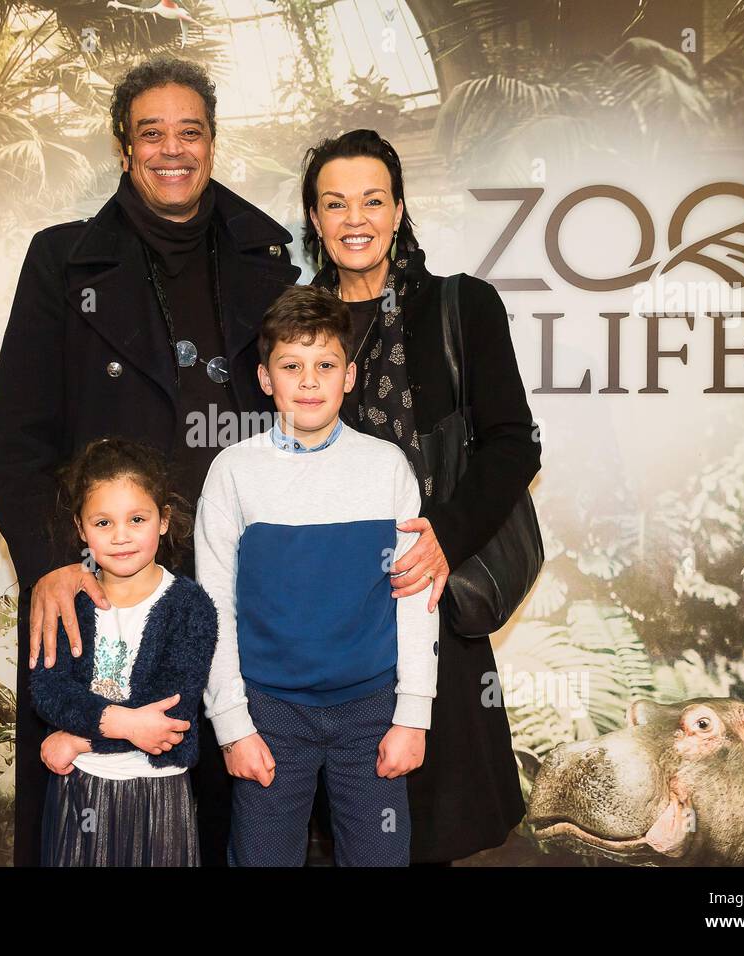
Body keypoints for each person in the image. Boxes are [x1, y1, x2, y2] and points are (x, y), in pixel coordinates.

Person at [0, 56, 299, 866]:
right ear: (124, 150)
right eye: (150, 133)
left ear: (213, 145)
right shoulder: (63, 261)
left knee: (233, 807)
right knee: (91, 810)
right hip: (102, 587)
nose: (172, 149)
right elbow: (18, 436)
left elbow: (302, 418)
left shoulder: (267, 259)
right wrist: (53, 563)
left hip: (235, 583)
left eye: (189, 132)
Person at [301, 129, 542, 863]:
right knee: (328, 836)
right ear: (314, 219)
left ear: (399, 209)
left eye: (373, 199)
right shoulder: (295, 323)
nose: (356, 218)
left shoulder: (461, 307)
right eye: (335, 202)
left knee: (431, 830)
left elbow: (513, 443)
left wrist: (444, 532)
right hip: (325, 622)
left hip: (432, 599)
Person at [193, 285, 440, 866]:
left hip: (374, 710)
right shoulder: (233, 472)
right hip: (269, 712)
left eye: (325, 365)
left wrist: (413, 715)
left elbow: (415, 597)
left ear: (348, 376)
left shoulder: (386, 468)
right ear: (264, 378)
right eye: (291, 366)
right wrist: (231, 724)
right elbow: (213, 606)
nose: (309, 381)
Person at [28, 438, 218, 866]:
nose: (121, 537)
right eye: (103, 523)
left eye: (137, 519)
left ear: (164, 520)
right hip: (81, 788)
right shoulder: (67, 602)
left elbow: (170, 719)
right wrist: (123, 724)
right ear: (80, 528)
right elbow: (49, 691)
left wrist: (78, 738)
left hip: (158, 795)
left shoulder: (190, 606)